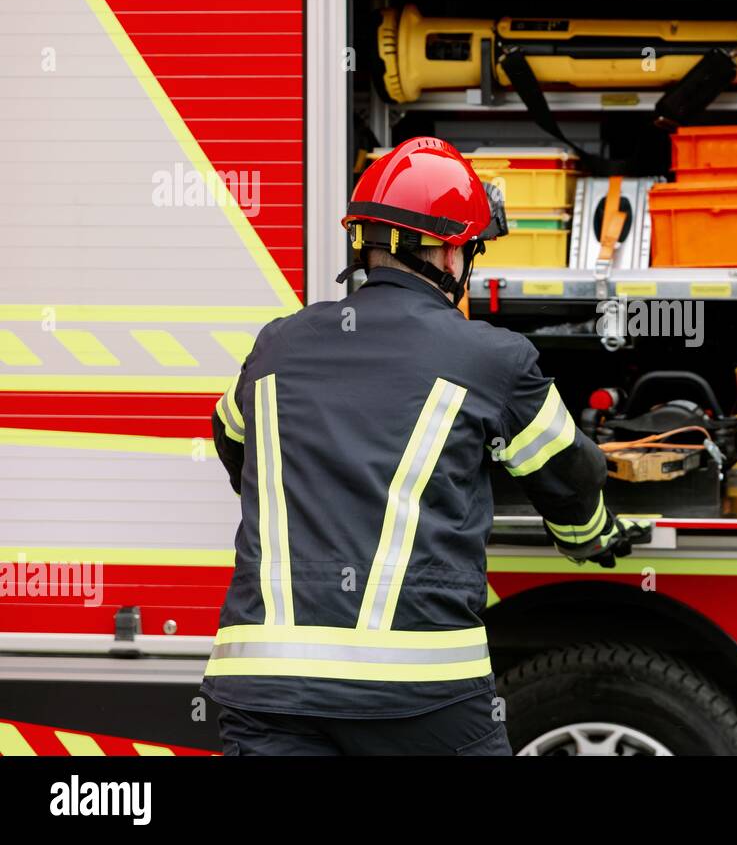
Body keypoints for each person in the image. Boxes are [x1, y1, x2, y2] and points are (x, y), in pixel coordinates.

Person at [201, 136, 644, 755]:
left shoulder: (277, 345)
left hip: (265, 686)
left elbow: (234, 448)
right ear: (444, 249)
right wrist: (588, 536)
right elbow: (569, 476)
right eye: (470, 248)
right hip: (419, 689)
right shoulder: (493, 357)